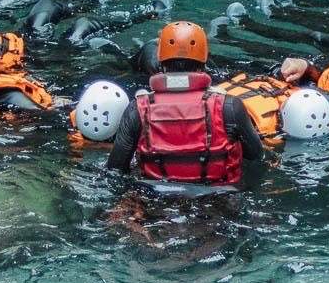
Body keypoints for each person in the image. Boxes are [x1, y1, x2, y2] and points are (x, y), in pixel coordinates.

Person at [106, 20, 264, 182]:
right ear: (204, 62)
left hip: (156, 195)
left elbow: (115, 170)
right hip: (221, 195)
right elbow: (257, 157)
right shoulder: (230, 107)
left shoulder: (137, 109)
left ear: (161, 62)